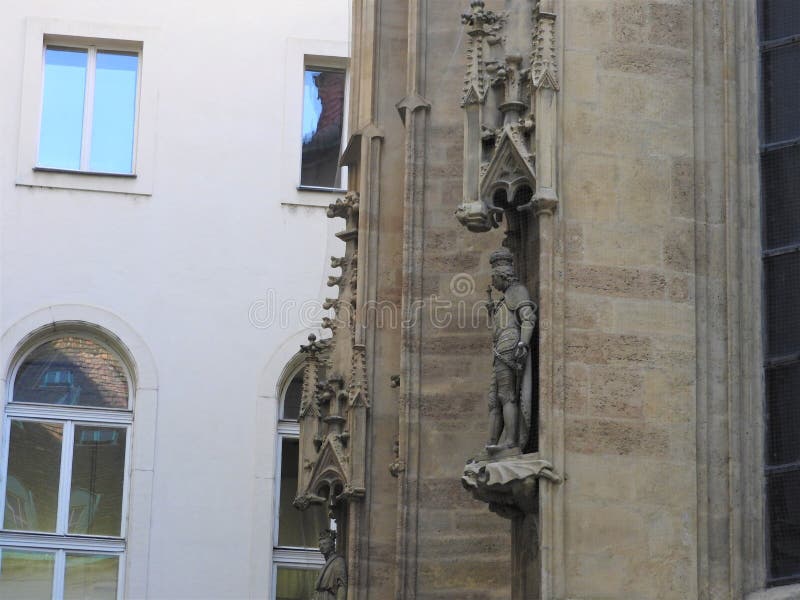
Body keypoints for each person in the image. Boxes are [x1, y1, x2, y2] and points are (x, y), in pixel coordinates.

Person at [485, 248, 536, 455]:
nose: (492, 282)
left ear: (502, 275)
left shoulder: (517, 291)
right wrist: (493, 311)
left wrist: (523, 343)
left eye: (494, 277)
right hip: (500, 348)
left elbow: (528, 318)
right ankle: (491, 444)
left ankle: (511, 443)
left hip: (509, 346)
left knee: (506, 395)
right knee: (494, 399)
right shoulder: (505, 297)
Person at [313, 529, 347, 600]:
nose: (321, 547)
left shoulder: (338, 561)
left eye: (324, 544)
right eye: (320, 545)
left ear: (332, 545)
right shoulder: (324, 566)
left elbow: (342, 586)